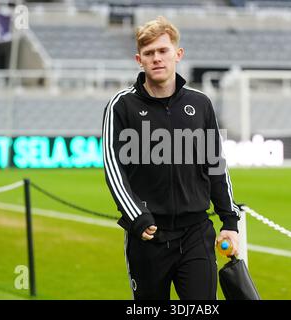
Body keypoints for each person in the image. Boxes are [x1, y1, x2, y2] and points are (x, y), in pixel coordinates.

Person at [102, 16, 240, 300]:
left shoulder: (200, 104)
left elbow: (216, 165)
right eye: (149, 53)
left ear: (178, 55)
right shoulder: (122, 105)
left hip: (196, 234)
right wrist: (136, 216)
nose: (157, 58)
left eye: (163, 51)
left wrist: (229, 221)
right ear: (139, 60)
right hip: (148, 237)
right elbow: (113, 168)